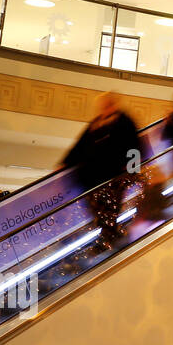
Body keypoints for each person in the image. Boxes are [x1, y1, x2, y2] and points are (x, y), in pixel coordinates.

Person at [62, 92, 142, 248]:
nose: (103, 107)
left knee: (110, 208)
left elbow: (135, 144)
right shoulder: (96, 123)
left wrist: (132, 169)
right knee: (97, 209)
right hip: (93, 178)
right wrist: (65, 162)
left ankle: (110, 240)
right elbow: (79, 146)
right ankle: (108, 238)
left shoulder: (124, 121)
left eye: (107, 104)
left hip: (114, 175)